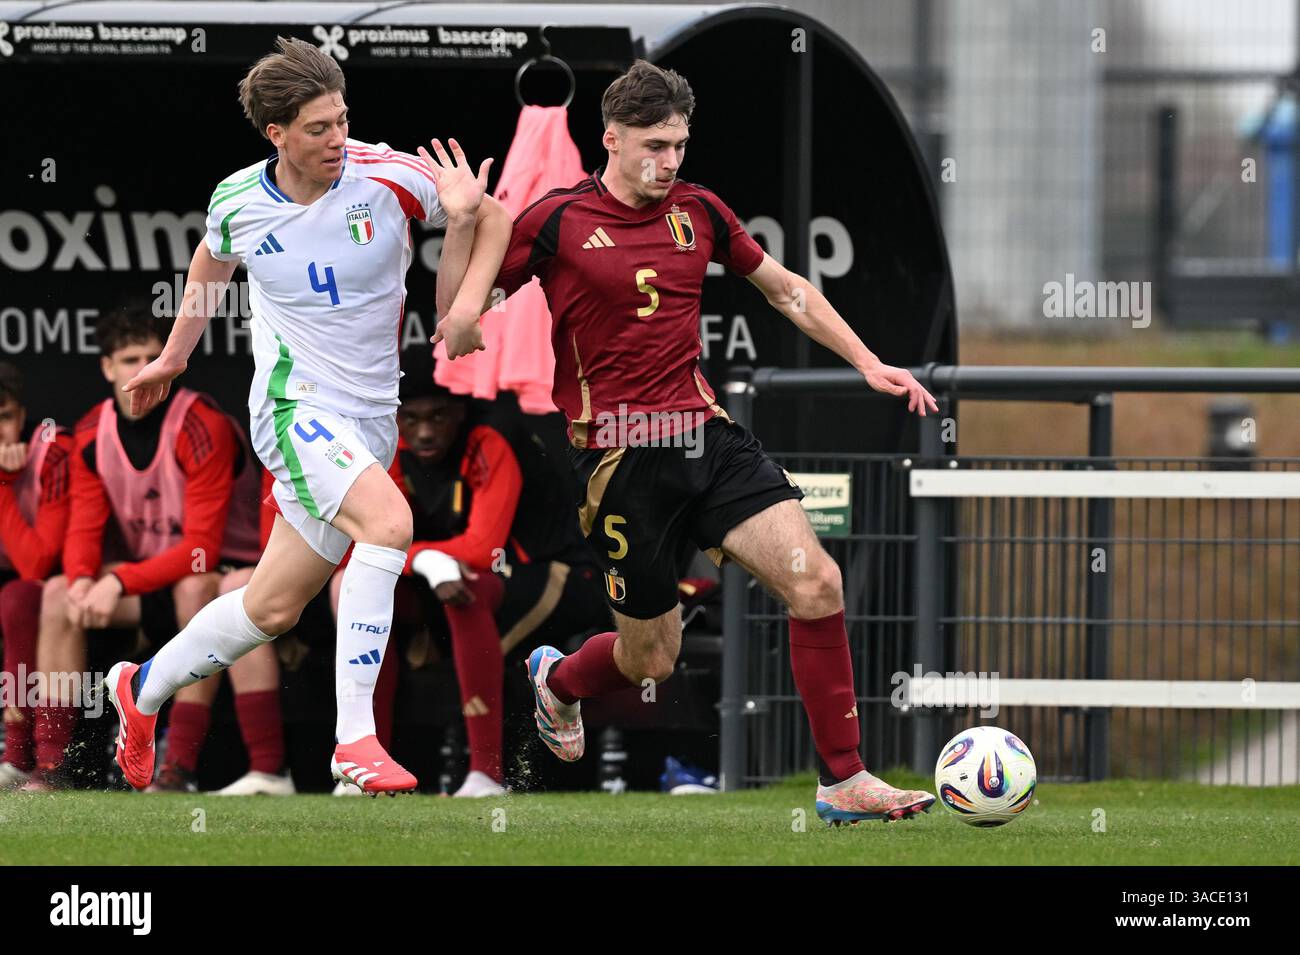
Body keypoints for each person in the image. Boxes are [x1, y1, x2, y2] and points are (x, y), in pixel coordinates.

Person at [436, 60, 941, 824]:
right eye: (655, 144)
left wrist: (868, 360)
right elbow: (456, 317)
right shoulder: (557, 218)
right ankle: (560, 682)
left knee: (818, 584)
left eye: (679, 144)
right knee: (650, 658)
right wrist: (465, 230)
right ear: (610, 138)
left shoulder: (699, 209)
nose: (671, 160)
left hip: (708, 439)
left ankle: (844, 779)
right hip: (618, 461)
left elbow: (785, 289)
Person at [103, 36, 511, 795]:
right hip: (295, 409)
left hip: (369, 417)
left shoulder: (386, 173)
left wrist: (459, 284)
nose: (337, 138)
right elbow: (210, 263)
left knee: (271, 605)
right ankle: (353, 739)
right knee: (389, 526)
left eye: (342, 118)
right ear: (276, 135)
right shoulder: (238, 200)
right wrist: (174, 355)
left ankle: (142, 687)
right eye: (318, 127)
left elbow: (491, 221)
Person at [327, 356, 609, 797]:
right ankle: (366, 760)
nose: (423, 431)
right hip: (469, 579)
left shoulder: (489, 435)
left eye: (437, 417)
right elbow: (362, 543)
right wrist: (420, 561)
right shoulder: (392, 447)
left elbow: (483, 549)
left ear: (458, 412)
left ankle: (485, 775)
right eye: (411, 418)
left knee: (470, 593)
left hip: (565, 576)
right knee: (351, 585)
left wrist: (415, 557)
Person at [26, 307, 261, 791]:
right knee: (57, 594)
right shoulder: (91, 431)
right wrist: (84, 581)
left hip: (221, 575)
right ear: (107, 368)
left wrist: (116, 581)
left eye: (155, 356)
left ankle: (177, 766)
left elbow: (201, 549)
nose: (143, 368)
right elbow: (84, 529)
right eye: (130, 358)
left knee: (196, 587)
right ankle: (52, 763)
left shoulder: (201, 423)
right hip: (146, 583)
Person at [0, 362, 74, 789]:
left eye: (5, 417)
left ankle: (22, 755)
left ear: (22, 415)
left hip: (59, 588)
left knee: (19, 594)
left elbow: (36, 566)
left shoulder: (52, 448)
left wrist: (5, 485)